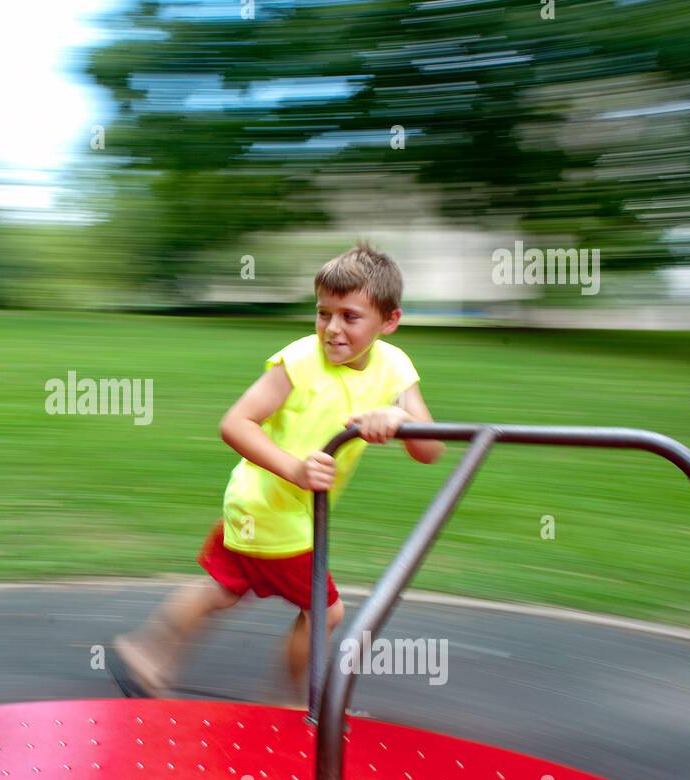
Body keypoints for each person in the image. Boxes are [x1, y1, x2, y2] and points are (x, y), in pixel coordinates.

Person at [112, 243, 445, 698]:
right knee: (324, 613)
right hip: (272, 507)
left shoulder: (396, 367)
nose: (332, 329)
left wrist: (401, 421)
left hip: (259, 508)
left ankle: (145, 653)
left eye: (350, 316)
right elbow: (234, 423)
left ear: (389, 321)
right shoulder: (299, 361)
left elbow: (431, 450)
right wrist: (295, 470)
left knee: (224, 590)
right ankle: (292, 706)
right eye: (323, 313)